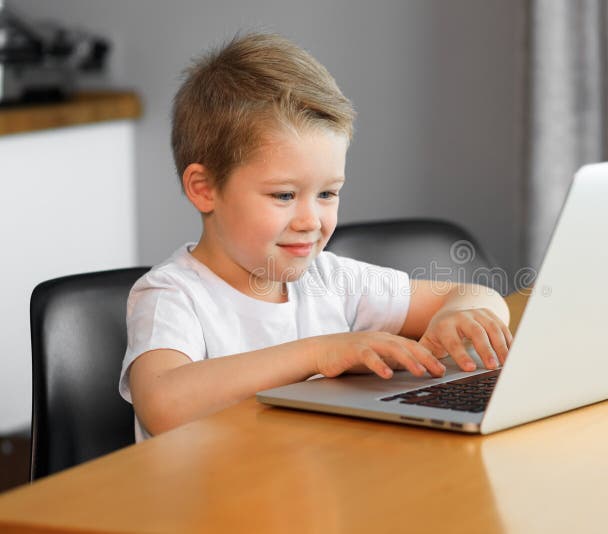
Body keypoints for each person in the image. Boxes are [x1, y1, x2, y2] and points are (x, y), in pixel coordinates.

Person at [120, 33, 512, 442]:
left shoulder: (329, 280)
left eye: (327, 193)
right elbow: (164, 405)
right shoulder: (172, 296)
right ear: (204, 189)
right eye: (284, 195)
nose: (311, 220)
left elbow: (475, 296)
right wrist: (319, 352)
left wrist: (458, 317)